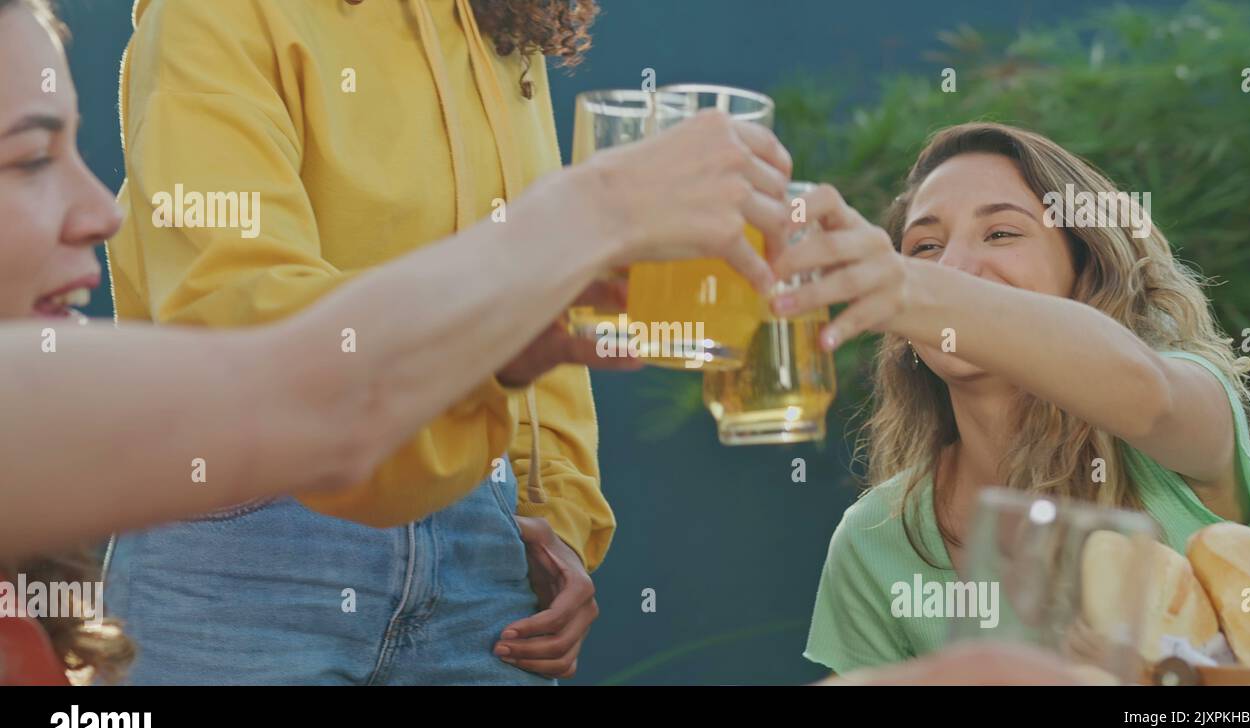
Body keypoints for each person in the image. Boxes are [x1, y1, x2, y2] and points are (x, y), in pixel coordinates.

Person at [0, 0, 792, 683]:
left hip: (484, 549)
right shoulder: (216, 11)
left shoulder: (497, 27)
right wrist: (588, 215)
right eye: (31, 159)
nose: (100, 210)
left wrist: (559, 515)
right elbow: (240, 322)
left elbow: (548, 312)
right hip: (249, 535)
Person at [776, 122, 1250, 674]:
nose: (954, 269)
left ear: (1085, 269)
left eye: (1000, 234)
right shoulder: (873, 537)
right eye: (924, 247)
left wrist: (913, 286)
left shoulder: (1181, 414)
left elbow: (1146, 393)